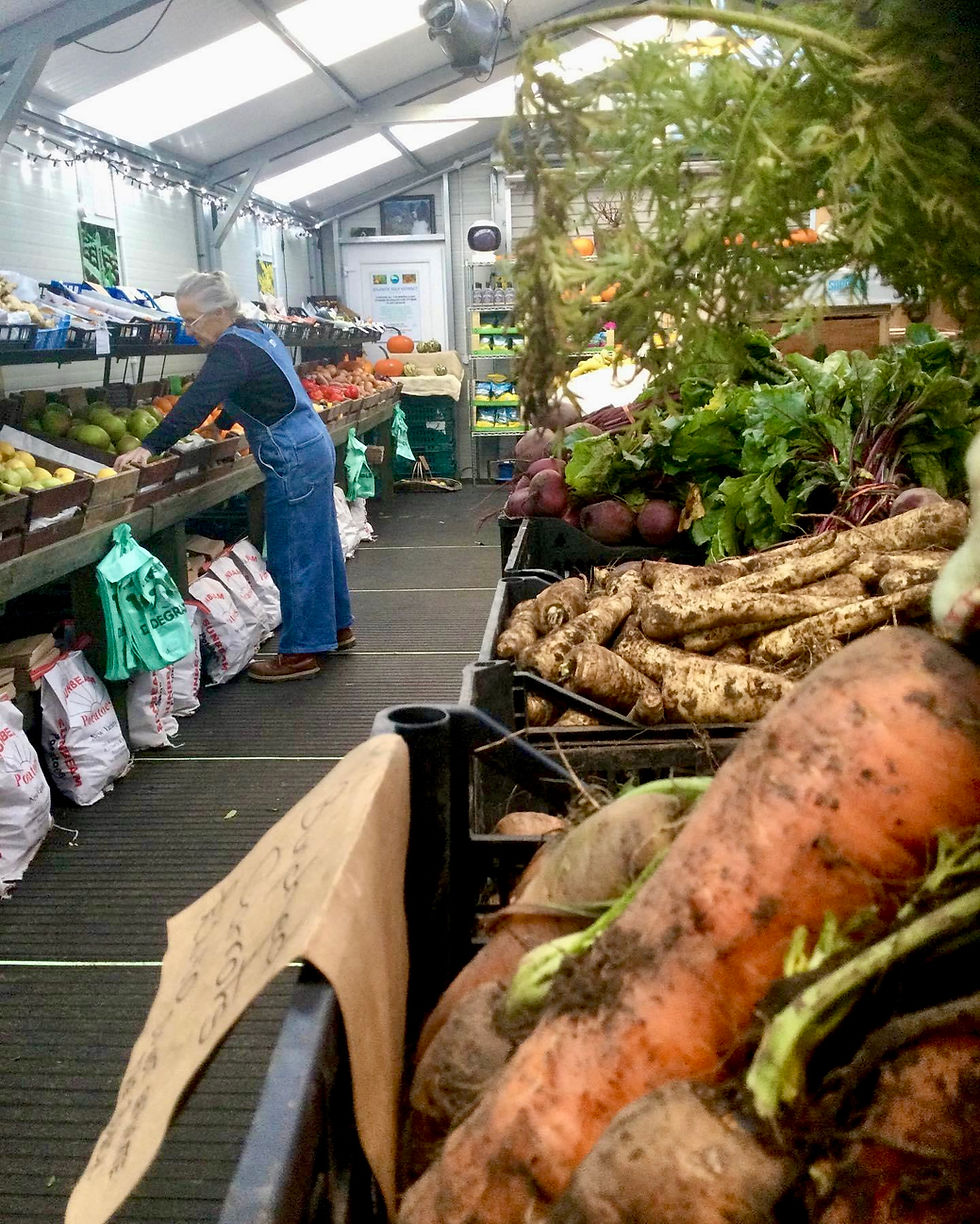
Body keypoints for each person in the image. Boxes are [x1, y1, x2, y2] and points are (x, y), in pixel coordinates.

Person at [115, 270, 354, 682]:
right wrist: (225, 422)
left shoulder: (230, 349)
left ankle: (302, 652)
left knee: (294, 553)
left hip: (290, 453)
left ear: (221, 311)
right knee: (319, 545)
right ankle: (335, 628)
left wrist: (149, 446)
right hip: (307, 443)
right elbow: (257, 386)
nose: (189, 332)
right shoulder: (253, 332)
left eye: (192, 321)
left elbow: (196, 400)